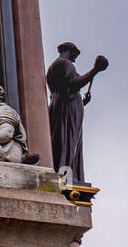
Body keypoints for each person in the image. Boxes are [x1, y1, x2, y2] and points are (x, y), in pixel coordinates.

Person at [45, 42, 108, 185]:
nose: (75, 58)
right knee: (67, 141)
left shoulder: (55, 67)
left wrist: (82, 102)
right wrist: (95, 70)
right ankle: (65, 178)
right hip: (66, 108)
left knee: (64, 141)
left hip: (63, 106)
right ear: (67, 51)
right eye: (74, 54)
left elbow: (73, 84)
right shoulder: (64, 64)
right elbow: (74, 84)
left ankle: (64, 175)